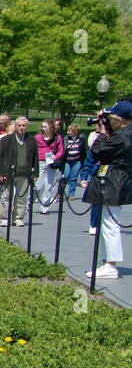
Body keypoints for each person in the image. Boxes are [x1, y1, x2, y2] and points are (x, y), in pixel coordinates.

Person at [81, 102, 132, 280]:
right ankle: (107, 261)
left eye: (111, 119)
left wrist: (102, 132)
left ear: (120, 119)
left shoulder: (122, 137)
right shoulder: (124, 134)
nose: (109, 121)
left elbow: (96, 151)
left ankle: (110, 264)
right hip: (116, 181)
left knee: (110, 224)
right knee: (107, 223)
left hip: (114, 182)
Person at [0, 116, 37, 227]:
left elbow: (35, 157)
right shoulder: (6, 140)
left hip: (24, 173)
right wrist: (0, 173)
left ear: (26, 127)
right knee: (5, 196)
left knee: (21, 197)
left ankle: (18, 217)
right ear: (15, 126)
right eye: (19, 125)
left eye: (24, 126)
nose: (21, 128)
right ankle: (5, 218)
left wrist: (35, 172)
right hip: (8, 173)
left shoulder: (31, 140)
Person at [34, 119, 63, 213]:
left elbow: (61, 151)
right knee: (39, 185)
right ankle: (30, 200)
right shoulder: (38, 137)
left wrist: (56, 156)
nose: (43, 128)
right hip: (40, 161)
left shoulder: (57, 138)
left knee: (49, 185)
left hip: (51, 161)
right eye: (42, 126)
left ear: (50, 127)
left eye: (45, 126)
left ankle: (45, 206)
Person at [63, 122, 86, 198]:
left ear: (75, 132)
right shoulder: (66, 139)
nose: (67, 132)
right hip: (68, 161)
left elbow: (84, 150)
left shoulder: (81, 139)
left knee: (74, 177)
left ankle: (71, 194)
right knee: (65, 176)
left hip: (77, 161)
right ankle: (61, 191)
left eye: (69, 131)